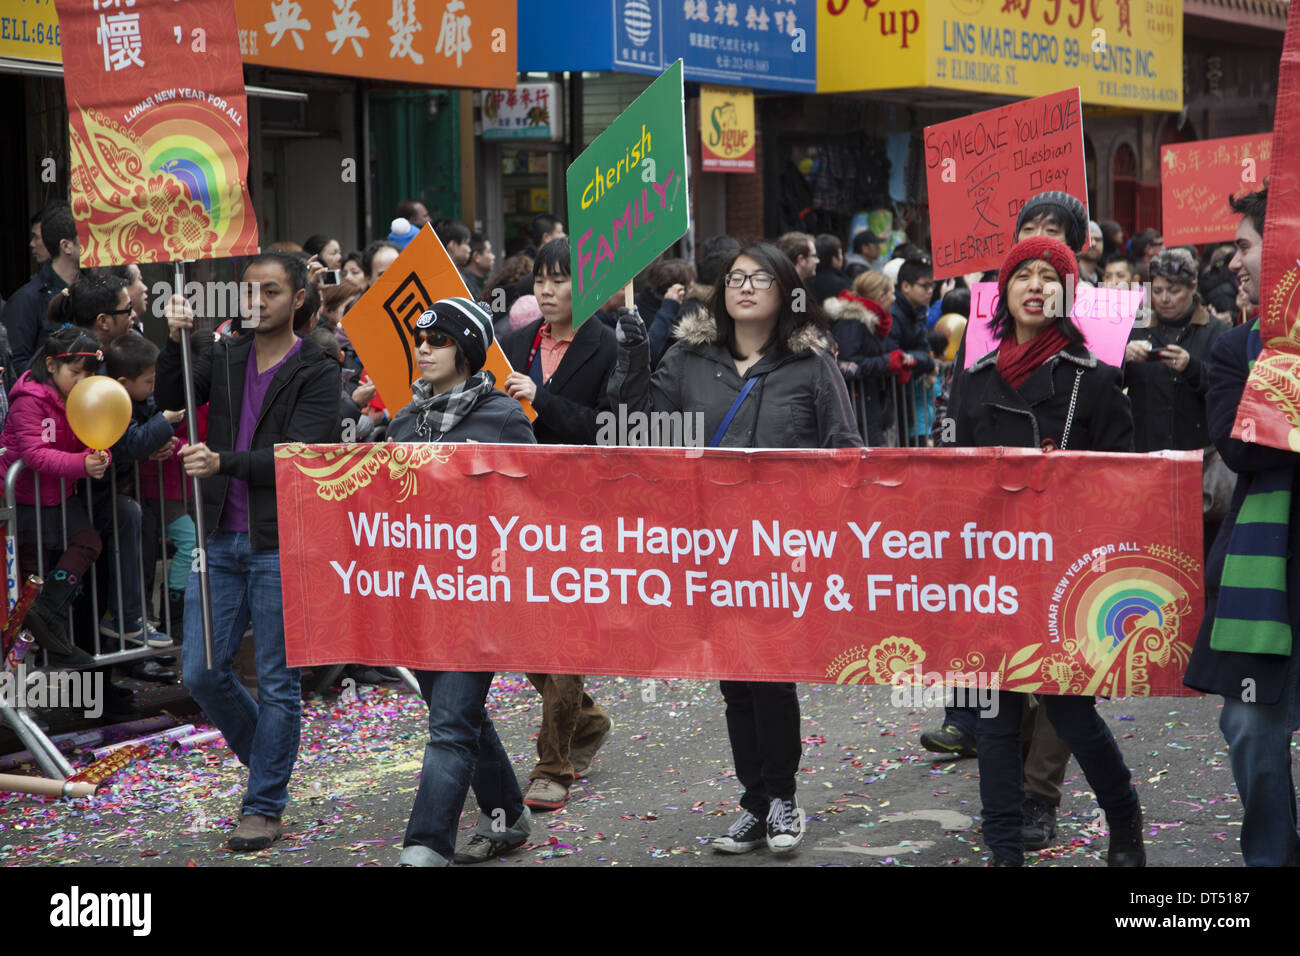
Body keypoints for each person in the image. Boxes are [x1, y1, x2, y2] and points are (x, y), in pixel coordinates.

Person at [608, 241, 862, 856]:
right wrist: (633, 338)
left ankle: (781, 801)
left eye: (759, 279)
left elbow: (846, 452)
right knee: (734, 683)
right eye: (734, 279)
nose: (744, 288)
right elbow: (633, 422)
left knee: (771, 678)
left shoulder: (811, 364)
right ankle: (754, 800)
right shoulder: (690, 358)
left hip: (782, 553)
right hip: (711, 549)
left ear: (784, 291)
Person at [945, 236, 1143, 867]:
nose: (1035, 284)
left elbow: (1124, 487)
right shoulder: (973, 383)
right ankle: (1005, 850)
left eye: (1049, 276)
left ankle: (1125, 823)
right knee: (996, 724)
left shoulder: (1095, 381)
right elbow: (946, 483)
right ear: (1002, 292)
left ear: (1067, 294)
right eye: (1022, 274)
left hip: (1064, 581)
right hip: (993, 576)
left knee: (1072, 714)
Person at [158, 251, 341, 852]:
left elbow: (302, 458)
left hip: (277, 540)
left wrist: (222, 462)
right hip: (217, 536)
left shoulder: (318, 364)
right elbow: (171, 391)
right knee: (202, 671)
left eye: (271, 292)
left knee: (278, 681)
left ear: (297, 300)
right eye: (249, 292)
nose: (257, 302)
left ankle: (263, 804)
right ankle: (272, 755)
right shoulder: (227, 353)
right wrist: (176, 338)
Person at [385, 299, 536, 866]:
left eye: (438, 340)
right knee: (457, 712)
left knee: (449, 725)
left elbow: (530, 508)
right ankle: (508, 814)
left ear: (466, 350)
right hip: (420, 595)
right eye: (419, 339)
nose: (423, 348)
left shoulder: (502, 416)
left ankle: (424, 846)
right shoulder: (402, 422)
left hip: (479, 596)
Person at [1182, 189, 1300, 866]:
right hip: (1263, 580)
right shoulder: (1236, 349)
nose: (1233, 259)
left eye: (1247, 244)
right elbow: (1243, 448)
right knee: (1253, 731)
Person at [499, 238, 616, 810]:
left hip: (579, 510)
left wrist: (542, 400)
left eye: (559, 280)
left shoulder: (608, 345)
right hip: (516, 510)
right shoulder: (513, 342)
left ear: (586, 285)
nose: (545, 290)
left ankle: (554, 763)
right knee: (522, 630)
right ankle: (587, 721)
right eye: (539, 279)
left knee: (563, 632)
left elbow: (611, 429)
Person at [0, 326, 107, 671]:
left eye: (88, 374)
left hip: (59, 496)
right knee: (29, 580)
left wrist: (99, 455)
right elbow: (35, 455)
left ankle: (47, 618)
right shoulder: (28, 400)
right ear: (51, 365)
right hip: (20, 500)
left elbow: (91, 437)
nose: (82, 380)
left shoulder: (81, 399)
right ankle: (28, 663)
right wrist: (81, 464)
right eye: (75, 372)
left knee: (87, 543)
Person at [1122, 248, 1230, 453]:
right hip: (1145, 450)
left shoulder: (1218, 332)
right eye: (1157, 291)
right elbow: (1110, 384)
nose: (1164, 299)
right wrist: (1122, 359)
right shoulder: (1134, 329)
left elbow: (1229, 387)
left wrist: (1192, 368)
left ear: (1193, 288)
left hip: (1201, 453)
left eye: (1173, 291)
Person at [6, 200, 80, 375]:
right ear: (66, 246)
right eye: (86, 238)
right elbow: (17, 364)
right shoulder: (26, 300)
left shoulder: (92, 290)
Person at [808, 233, 851, 303]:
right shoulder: (842, 285)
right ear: (834, 258)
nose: (842, 257)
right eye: (840, 253)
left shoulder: (806, 280)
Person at [460, 232, 495, 299]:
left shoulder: (481, 282)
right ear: (476, 256)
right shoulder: (464, 283)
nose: (493, 257)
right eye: (489, 252)